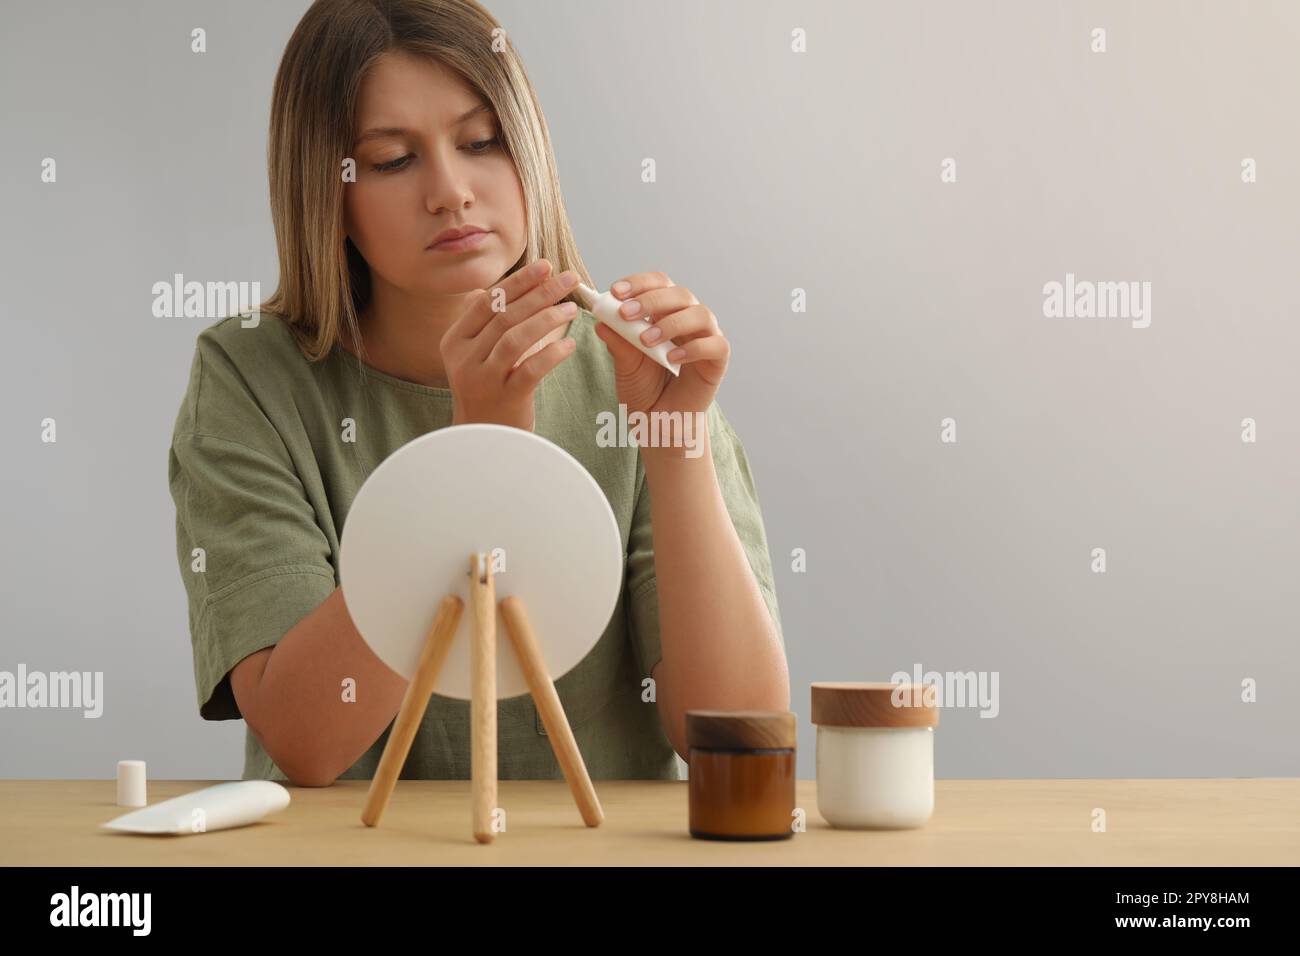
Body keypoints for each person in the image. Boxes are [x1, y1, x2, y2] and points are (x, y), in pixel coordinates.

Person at [167, 0, 787, 786]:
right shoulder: (251, 377)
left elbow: (736, 739)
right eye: (392, 159)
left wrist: (678, 444)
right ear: (327, 192)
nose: (451, 191)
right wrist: (475, 461)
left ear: (526, 146)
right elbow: (305, 738)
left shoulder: (627, 371)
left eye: (481, 142)